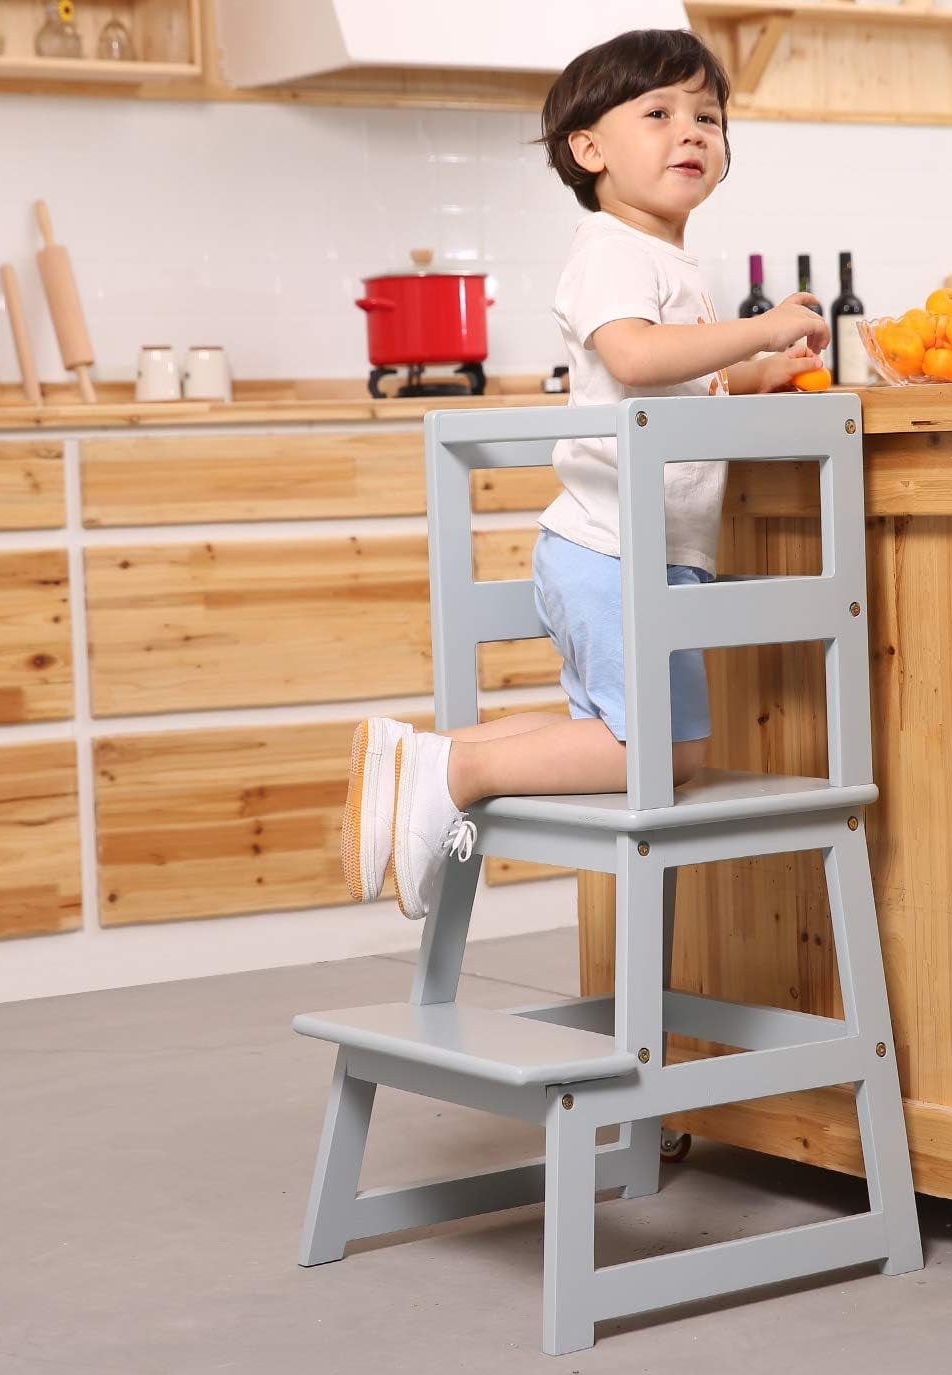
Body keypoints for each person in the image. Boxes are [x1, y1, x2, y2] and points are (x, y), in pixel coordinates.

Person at [342, 27, 829, 921]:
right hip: (613, 552)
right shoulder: (611, 249)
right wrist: (759, 330)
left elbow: (677, 383)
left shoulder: (663, 260)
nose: (692, 131)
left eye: (708, 117)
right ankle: (455, 771)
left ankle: (428, 756)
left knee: (629, 741)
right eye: (659, 113)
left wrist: (762, 370)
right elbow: (635, 357)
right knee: (659, 753)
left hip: (637, 554)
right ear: (590, 150)